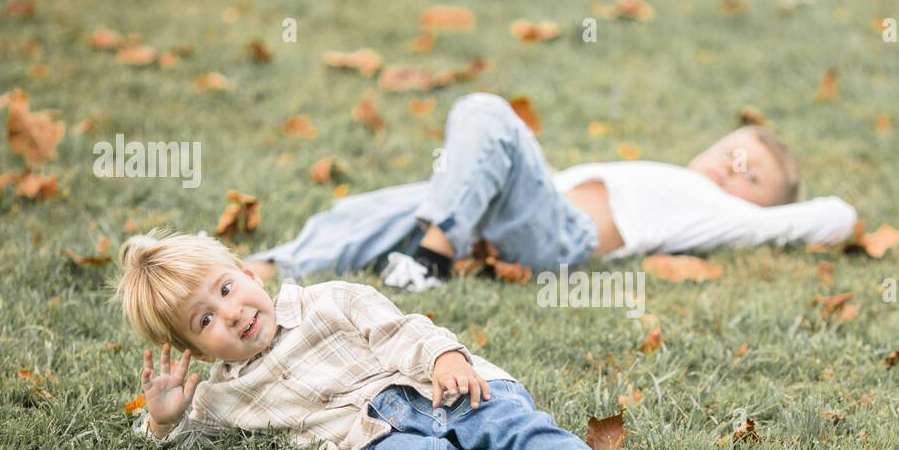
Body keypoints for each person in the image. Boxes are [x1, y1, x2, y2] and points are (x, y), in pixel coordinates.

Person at [113, 230, 669, 450]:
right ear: (196, 351)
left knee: (512, 431)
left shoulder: (329, 299)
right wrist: (164, 419)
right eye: (204, 320)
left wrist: (445, 355)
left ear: (248, 272)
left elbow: (402, 329)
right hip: (374, 433)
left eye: (227, 289)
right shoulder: (222, 396)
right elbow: (184, 439)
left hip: (441, 389)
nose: (231, 314)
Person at [244, 92, 858, 291]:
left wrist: (779, 212)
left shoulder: (729, 216)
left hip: (561, 235)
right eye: (731, 154)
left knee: (485, 110)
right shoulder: (678, 176)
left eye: (752, 178)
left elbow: (837, 214)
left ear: (765, 208)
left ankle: (431, 256)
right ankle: (276, 266)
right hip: (514, 215)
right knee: (385, 205)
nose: (731, 171)